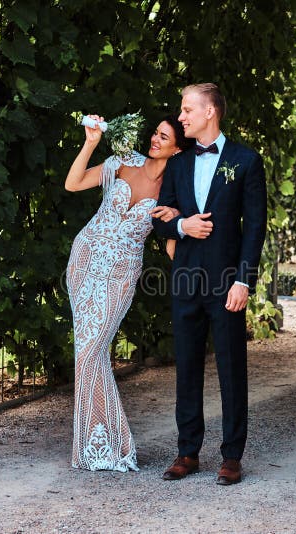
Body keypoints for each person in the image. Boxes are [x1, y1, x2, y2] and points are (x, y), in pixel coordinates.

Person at [151, 83, 267, 485]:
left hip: (226, 283)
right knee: (186, 367)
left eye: (186, 110)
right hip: (185, 279)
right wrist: (183, 225)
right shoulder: (179, 164)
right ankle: (188, 452)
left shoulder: (246, 161)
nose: (180, 117)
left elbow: (255, 228)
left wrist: (243, 282)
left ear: (209, 113)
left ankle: (232, 456)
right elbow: (158, 217)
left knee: (232, 368)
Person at [64, 114, 192, 471]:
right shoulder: (121, 162)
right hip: (85, 258)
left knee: (92, 350)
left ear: (178, 148)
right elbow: (73, 183)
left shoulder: (173, 191)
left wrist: (196, 267)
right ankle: (102, 446)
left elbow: (171, 245)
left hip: (121, 273)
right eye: (155, 132)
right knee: (87, 352)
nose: (155, 139)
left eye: (164, 137)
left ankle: (110, 444)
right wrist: (91, 143)